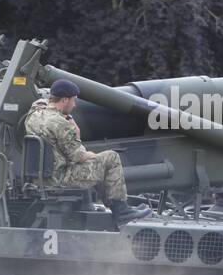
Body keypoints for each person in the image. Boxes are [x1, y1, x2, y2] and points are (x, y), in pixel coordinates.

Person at [24, 79, 150, 225]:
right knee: (110, 158)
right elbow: (78, 156)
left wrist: (67, 116)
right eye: (73, 100)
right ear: (64, 100)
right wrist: (93, 155)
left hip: (42, 177)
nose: (75, 105)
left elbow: (39, 103)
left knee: (99, 164)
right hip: (60, 179)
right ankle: (122, 211)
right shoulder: (60, 124)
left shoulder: (34, 115)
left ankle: (118, 208)